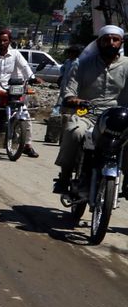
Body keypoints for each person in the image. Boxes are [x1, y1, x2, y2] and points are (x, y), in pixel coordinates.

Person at [55, 25, 128, 194]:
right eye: (107, 39)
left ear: (121, 42)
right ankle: (64, 176)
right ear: (99, 42)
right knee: (75, 132)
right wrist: (74, 100)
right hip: (88, 113)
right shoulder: (82, 64)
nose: (111, 43)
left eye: (115, 40)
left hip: (119, 118)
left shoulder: (127, 65)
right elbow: (70, 90)